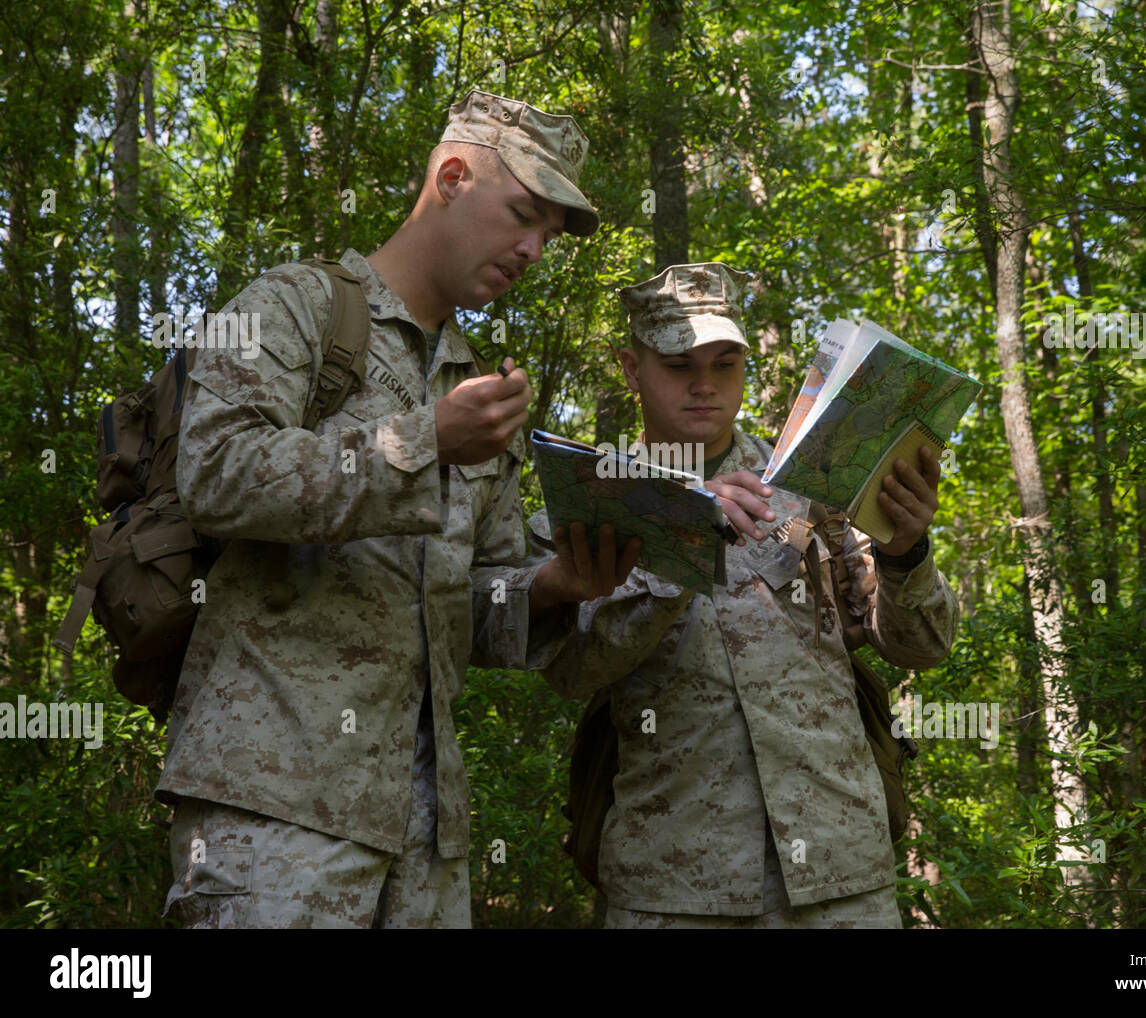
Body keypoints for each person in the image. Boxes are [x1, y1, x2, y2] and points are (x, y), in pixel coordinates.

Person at [156, 90, 629, 929]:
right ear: (451, 176)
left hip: (426, 841)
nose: (533, 249)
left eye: (548, 236)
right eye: (523, 214)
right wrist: (421, 444)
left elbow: (475, 609)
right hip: (274, 806)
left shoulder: (476, 385)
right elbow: (216, 472)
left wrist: (554, 585)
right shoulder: (294, 306)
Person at [530, 262, 960, 928]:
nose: (705, 385)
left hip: (841, 878)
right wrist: (682, 537)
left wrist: (906, 553)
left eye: (725, 363)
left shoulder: (816, 484)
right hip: (671, 887)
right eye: (678, 365)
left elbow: (920, 645)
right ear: (630, 366)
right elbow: (572, 667)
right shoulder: (586, 504)